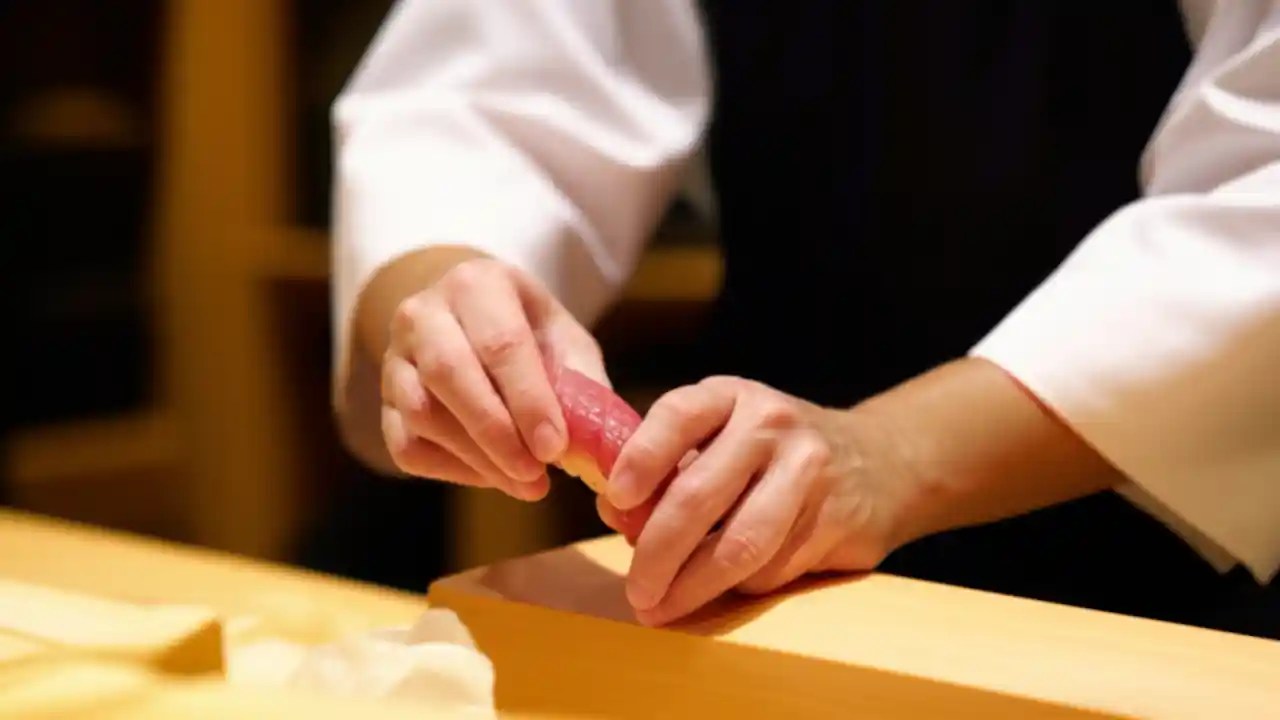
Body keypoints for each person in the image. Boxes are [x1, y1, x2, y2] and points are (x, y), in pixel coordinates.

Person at [329, 0, 1279, 637]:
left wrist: (891, 454)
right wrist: (452, 292)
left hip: (1183, 582)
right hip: (742, 559)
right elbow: (486, 88)